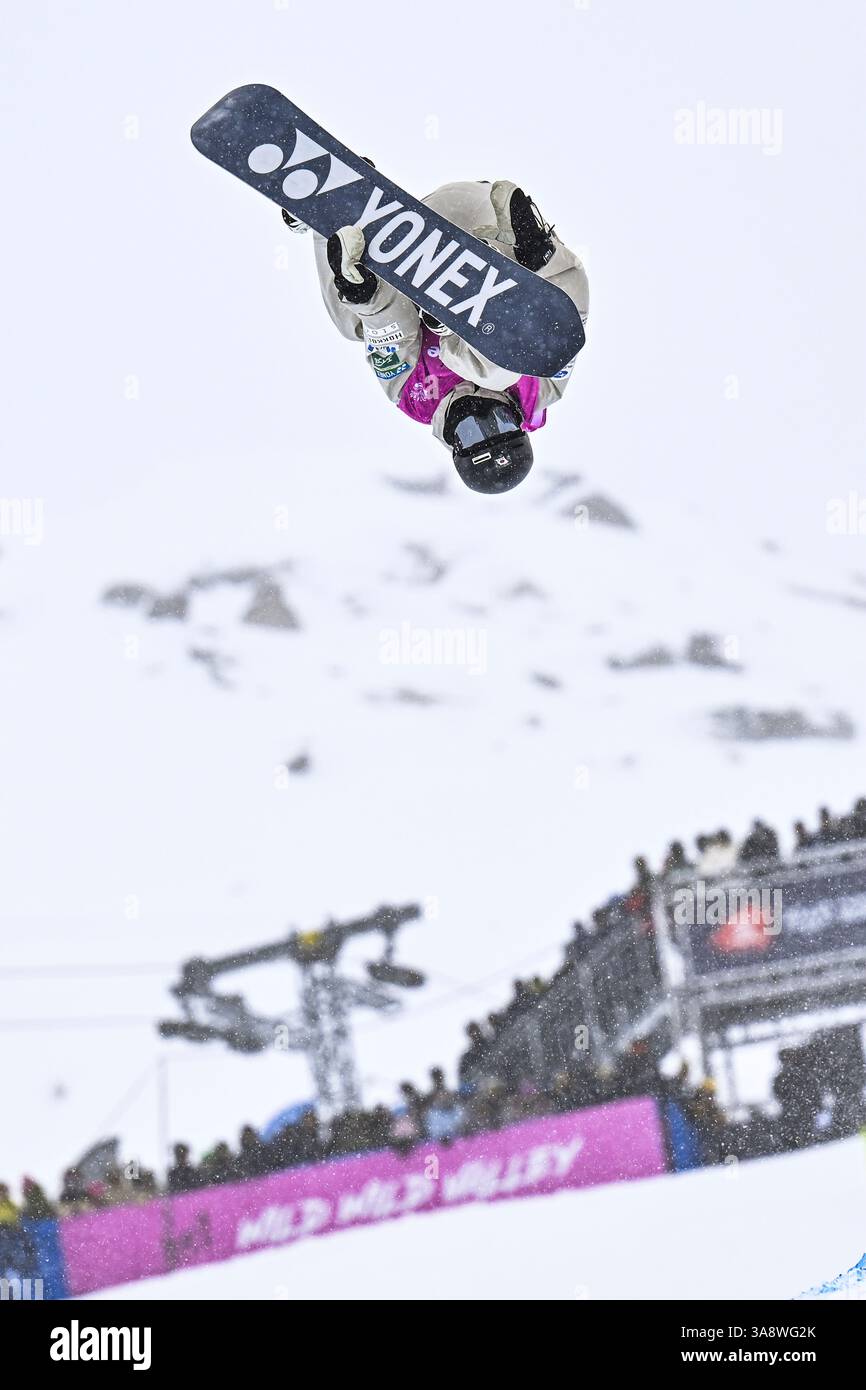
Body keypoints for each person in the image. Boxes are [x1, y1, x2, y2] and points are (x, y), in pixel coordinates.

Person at [285, 179, 588, 494]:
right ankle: (468, 311)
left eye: (472, 432)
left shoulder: (416, 398)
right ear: (518, 423)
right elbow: (571, 315)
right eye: (500, 421)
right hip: (489, 226)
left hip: (421, 236)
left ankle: (328, 220)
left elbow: (388, 338)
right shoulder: (538, 394)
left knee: (354, 326)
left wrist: (366, 298)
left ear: (455, 443)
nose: (481, 414)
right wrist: (542, 257)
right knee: (525, 356)